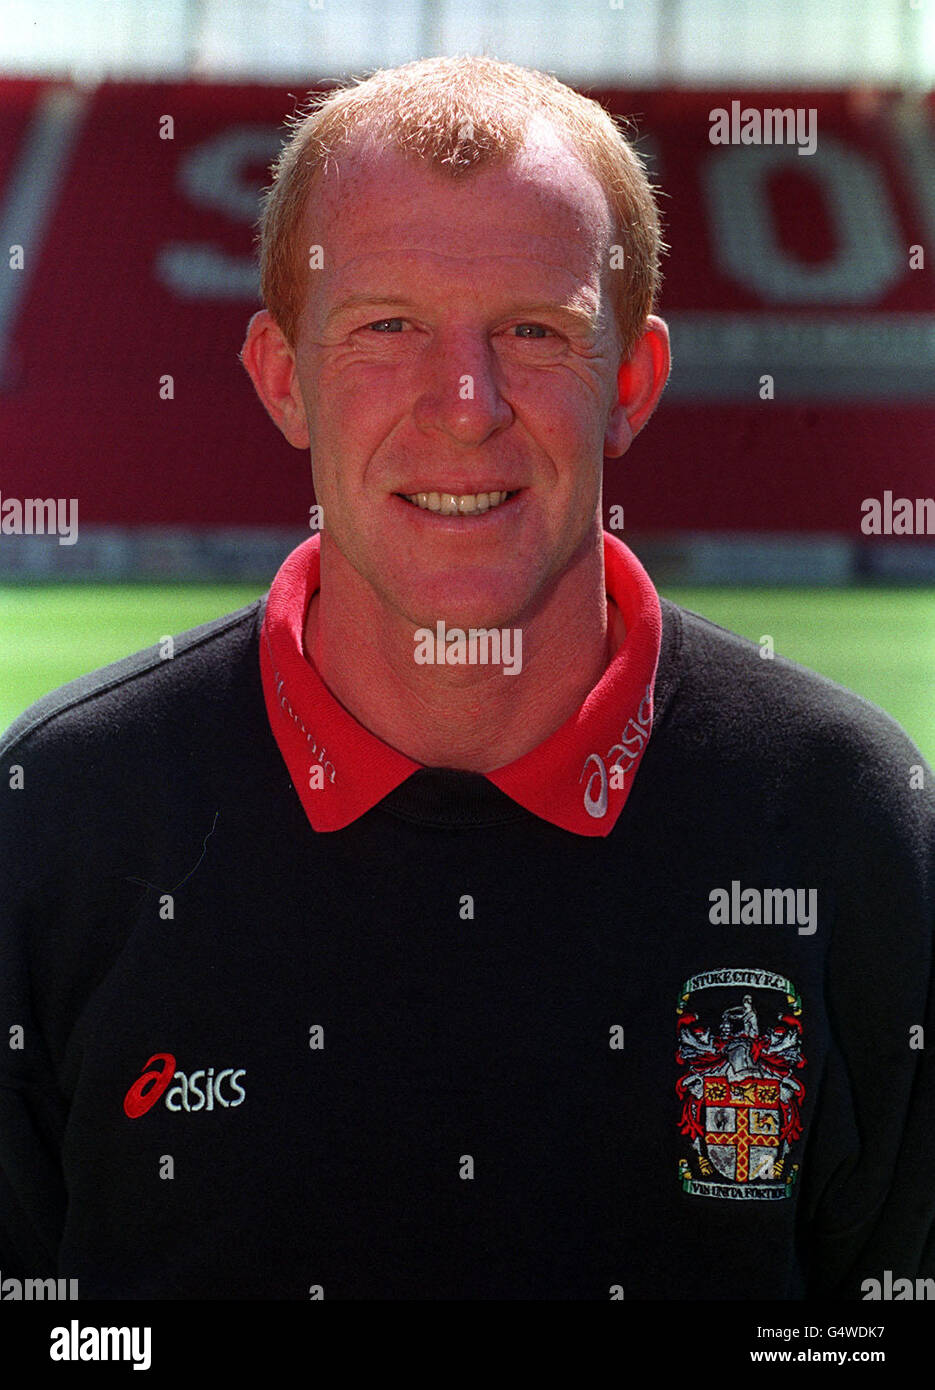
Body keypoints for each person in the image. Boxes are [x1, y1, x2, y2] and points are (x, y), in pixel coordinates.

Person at [1, 54, 932, 1301]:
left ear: (632, 385)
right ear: (281, 377)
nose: (464, 406)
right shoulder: (56, 815)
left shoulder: (852, 821)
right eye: (386, 325)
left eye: (533, 333)